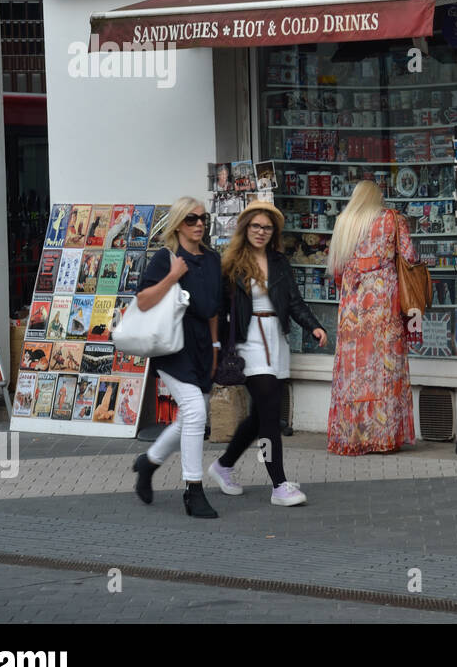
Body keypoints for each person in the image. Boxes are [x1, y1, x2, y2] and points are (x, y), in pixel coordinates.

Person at [207, 201, 327, 506]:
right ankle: (278, 483)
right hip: (249, 344)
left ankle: (223, 466)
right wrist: (217, 347)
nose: (261, 232)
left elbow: (295, 302)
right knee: (271, 416)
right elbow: (219, 312)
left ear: (274, 232)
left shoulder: (279, 262)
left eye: (267, 227)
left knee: (260, 415)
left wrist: (314, 327)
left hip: (277, 340)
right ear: (246, 228)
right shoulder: (231, 265)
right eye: (256, 226)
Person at [131, 197, 225, 518]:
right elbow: (143, 301)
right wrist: (173, 276)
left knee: (189, 418)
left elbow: (213, 308)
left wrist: (215, 348)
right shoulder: (165, 258)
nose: (199, 224)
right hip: (172, 348)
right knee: (196, 412)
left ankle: (149, 462)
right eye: (191, 219)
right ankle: (193, 490)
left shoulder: (213, 260)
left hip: (202, 348)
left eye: (203, 219)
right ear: (178, 224)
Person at [326, 180, 421, 455]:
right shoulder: (392, 219)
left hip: (352, 304)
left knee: (353, 371)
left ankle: (352, 436)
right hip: (382, 300)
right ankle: (383, 436)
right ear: (378, 197)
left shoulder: (343, 222)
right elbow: (409, 257)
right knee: (384, 368)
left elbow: (337, 271)